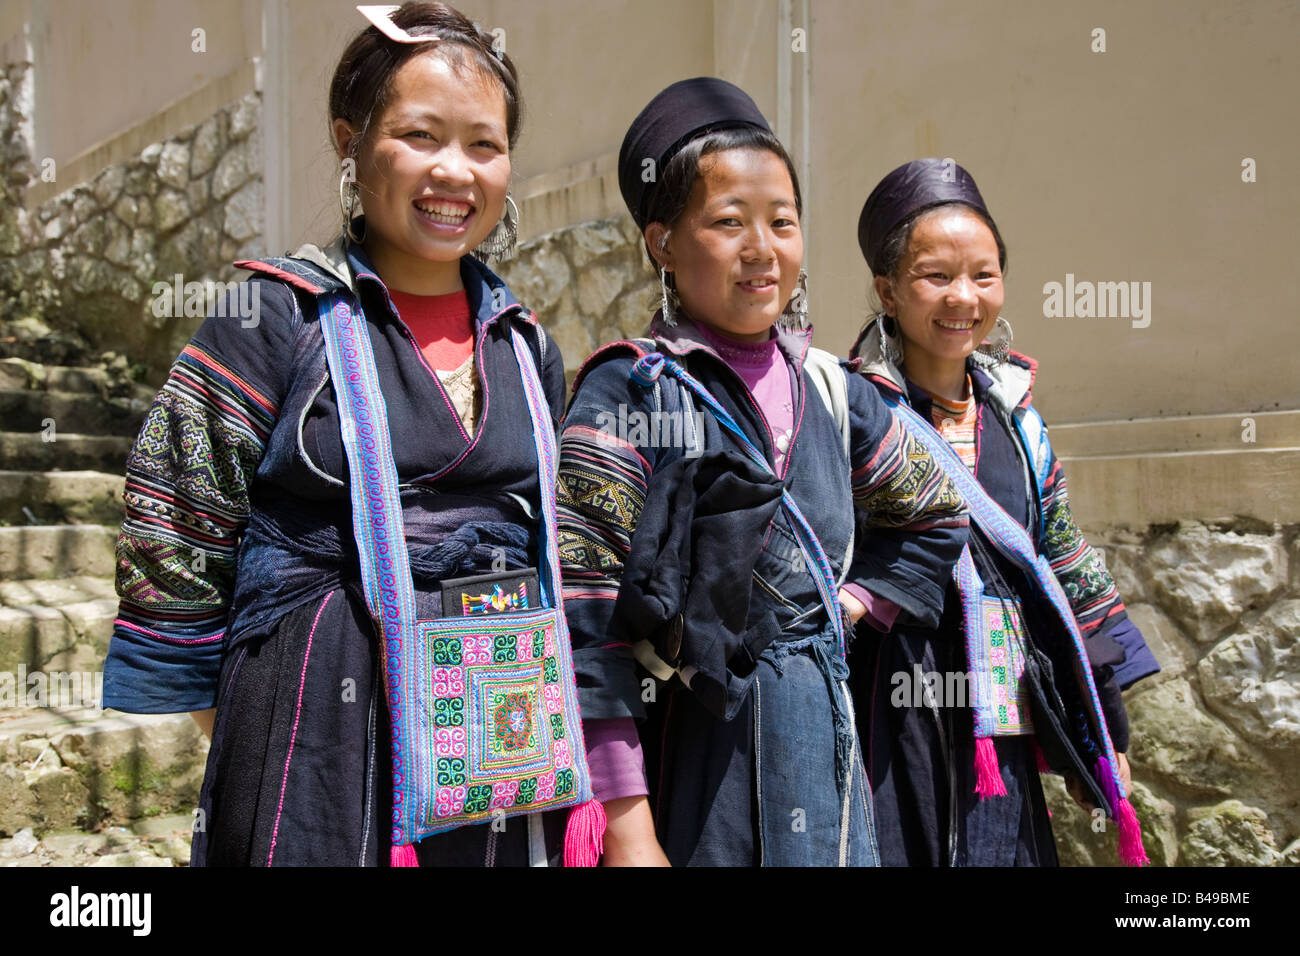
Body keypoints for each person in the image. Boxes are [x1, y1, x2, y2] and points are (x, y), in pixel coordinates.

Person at [102, 2, 593, 866]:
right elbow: (176, 512)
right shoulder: (276, 314)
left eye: (484, 144)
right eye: (420, 136)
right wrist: (253, 712)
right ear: (350, 142)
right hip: (315, 719)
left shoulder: (525, 343)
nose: (456, 172)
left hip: (497, 723)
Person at [555, 79, 971, 866]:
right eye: (727, 222)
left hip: (824, 745)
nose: (762, 248)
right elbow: (585, 622)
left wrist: (851, 604)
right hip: (692, 764)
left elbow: (937, 508)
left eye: (782, 222)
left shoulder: (833, 390)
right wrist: (629, 831)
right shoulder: (631, 389)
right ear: (663, 244)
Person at [848, 158, 1161, 866]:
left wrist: (1101, 728)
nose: (964, 297)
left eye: (984, 276)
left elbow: (1062, 561)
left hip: (1003, 703)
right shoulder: (850, 413)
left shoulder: (1020, 422)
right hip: (894, 708)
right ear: (887, 290)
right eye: (936, 276)